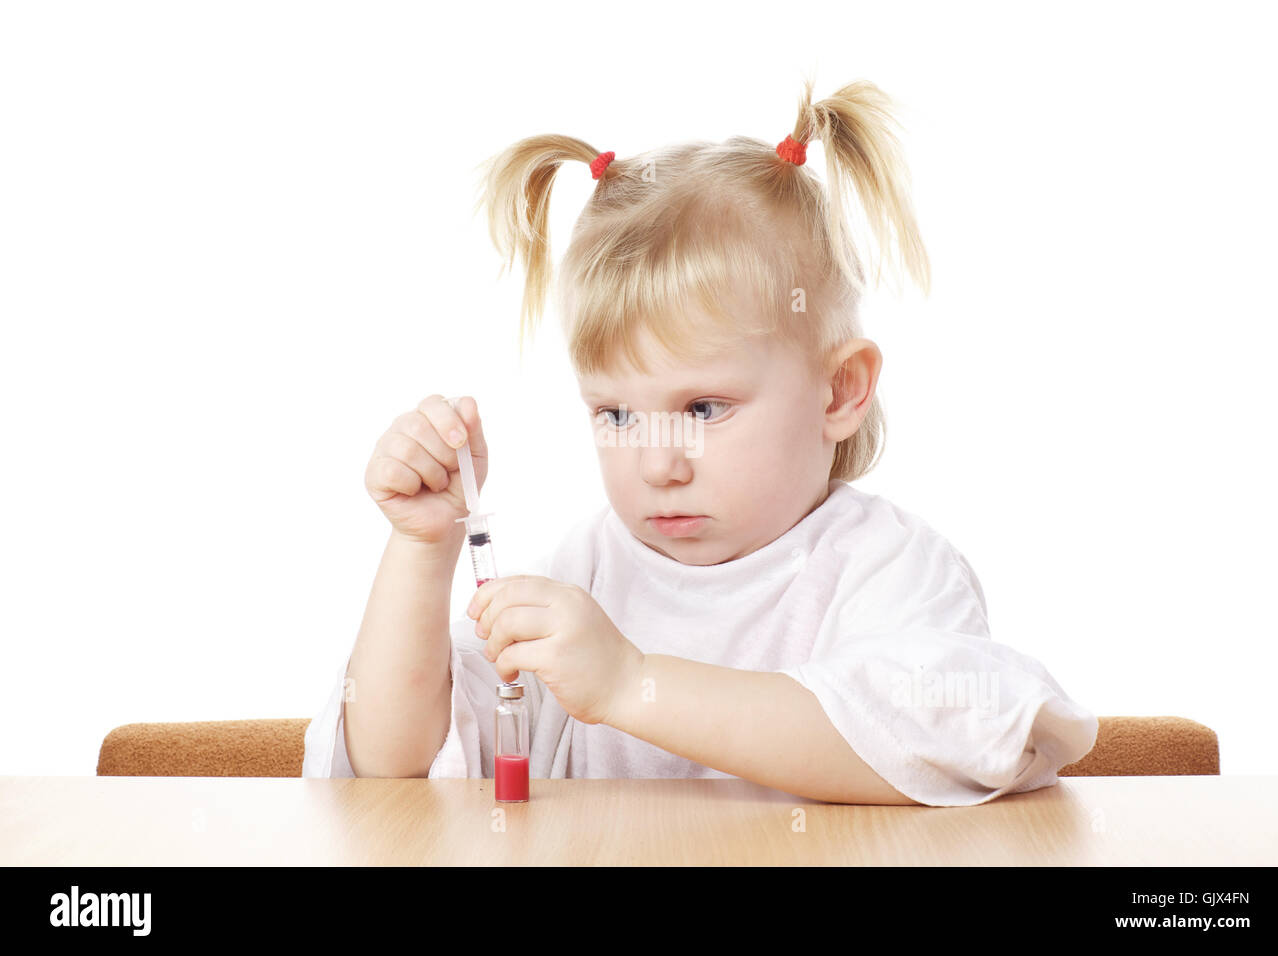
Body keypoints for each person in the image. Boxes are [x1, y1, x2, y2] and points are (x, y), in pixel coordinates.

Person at [302, 76, 1099, 806]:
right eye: (615, 415)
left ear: (840, 390)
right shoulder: (588, 571)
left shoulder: (884, 569)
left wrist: (631, 683)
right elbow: (390, 769)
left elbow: (941, 740)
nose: (658, 462)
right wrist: (421, 549)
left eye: (705, 408)